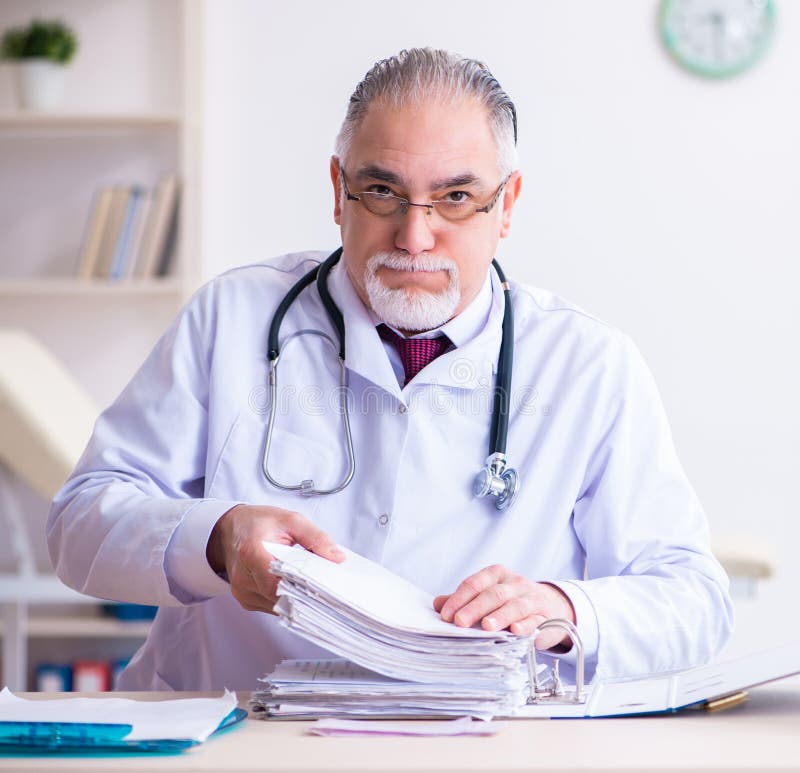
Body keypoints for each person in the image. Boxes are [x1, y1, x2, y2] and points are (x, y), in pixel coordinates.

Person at [48, 48, 733, 691]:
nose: (414, 235)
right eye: (382, 190)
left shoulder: (587, 364)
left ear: (507, 204)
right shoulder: (231, 317)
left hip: (476, 741)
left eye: (456, 197)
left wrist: (564, 607)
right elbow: (79, 522)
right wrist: (217, 540)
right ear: (338, 190)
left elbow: (694, 601)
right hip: (238, 730)